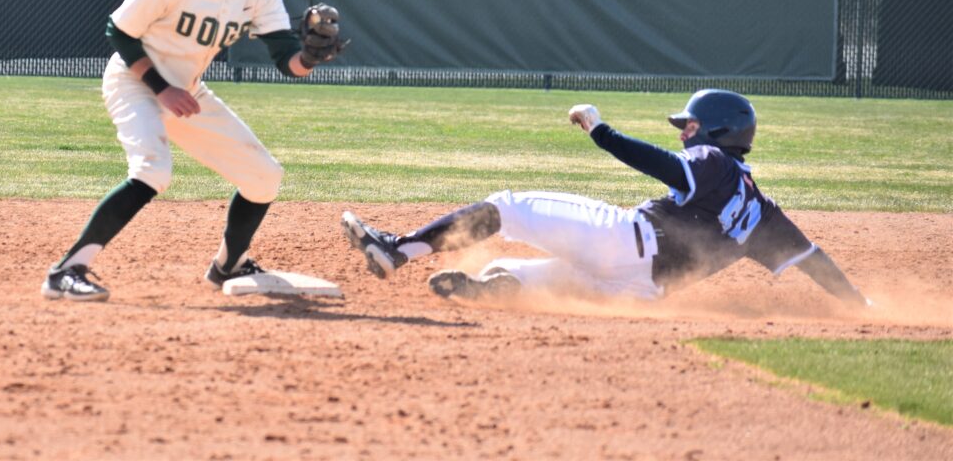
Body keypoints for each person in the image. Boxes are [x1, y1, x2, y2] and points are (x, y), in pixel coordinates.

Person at [42, 0, 343, 302]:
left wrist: (308, 57)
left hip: (187, 91)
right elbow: (120, 32)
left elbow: (284, 59)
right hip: (135, 81)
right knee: (153, 171)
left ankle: (229, 266)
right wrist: (162, 89)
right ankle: (66, 271)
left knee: (263, 176)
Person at [341, 90, 870, 308]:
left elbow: (664, 165)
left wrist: (602, 133)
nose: (684, 133)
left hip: (627, 242)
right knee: (522, 272)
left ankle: (398, 251)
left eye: (689, 125)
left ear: (717, 130)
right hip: (640, 292)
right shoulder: (763, 211)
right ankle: (492, 288)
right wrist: (861, 306)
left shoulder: (714, 162)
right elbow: (813, 262)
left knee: (507, 207)